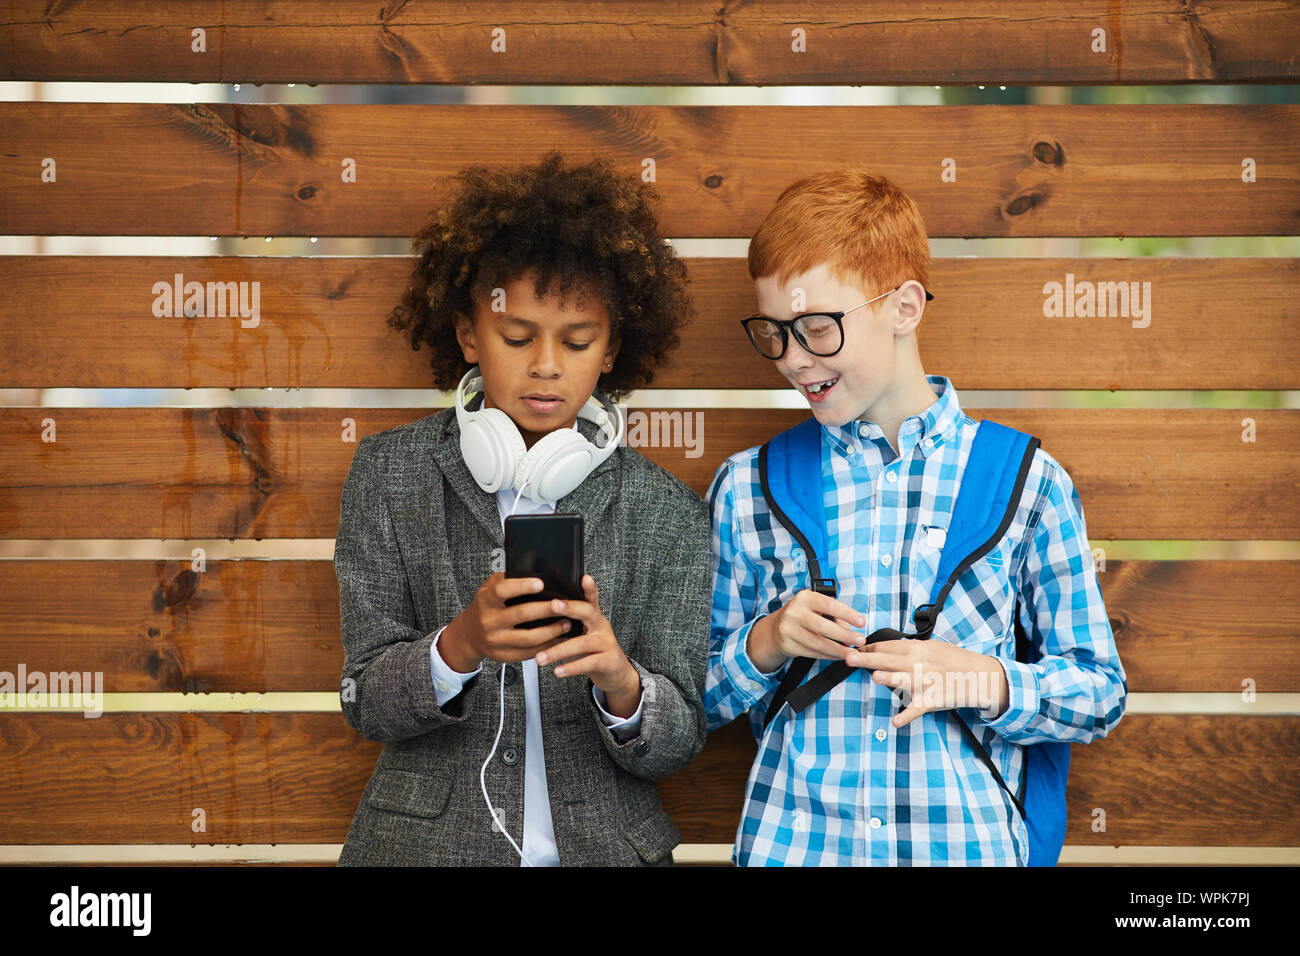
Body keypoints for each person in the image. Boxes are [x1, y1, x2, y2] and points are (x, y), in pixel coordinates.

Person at [704, 166, 1128, 865]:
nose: (793, 360)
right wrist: (770, 640)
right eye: (774, 333)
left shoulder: (1028, 484)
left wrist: (980, 677)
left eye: (816, 328)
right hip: (796, 845)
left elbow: (1099, 692)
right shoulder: (748, 487)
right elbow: (699, 694)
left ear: (905, 308)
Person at [335, 151, 711, 866]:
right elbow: (362, 699)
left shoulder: (668, 514)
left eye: (577, 341)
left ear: (613, 350)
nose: (545, 364)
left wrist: (621, 682)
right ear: (469, 334)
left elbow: (680, 739)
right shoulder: (389, 475)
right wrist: (459, 647)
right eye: (516, 337)